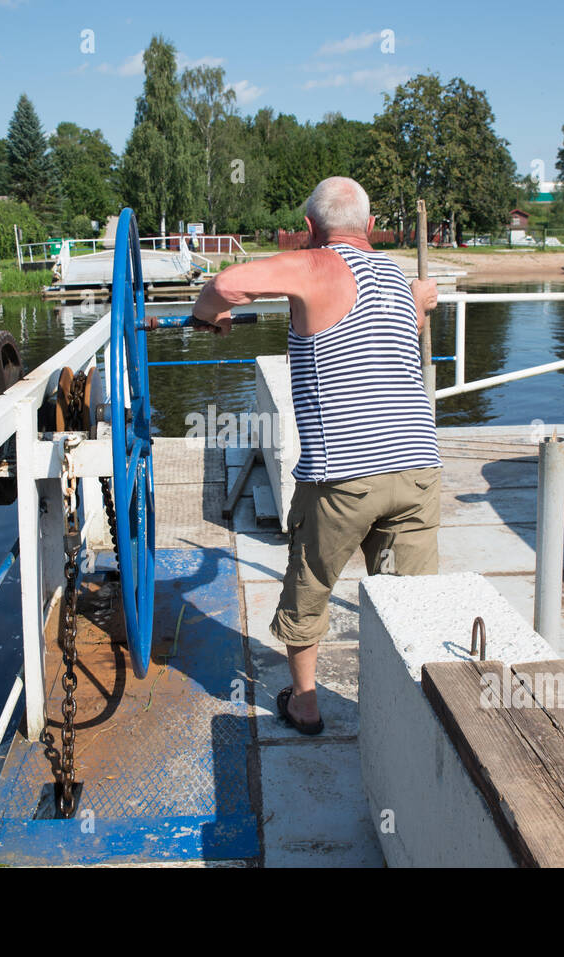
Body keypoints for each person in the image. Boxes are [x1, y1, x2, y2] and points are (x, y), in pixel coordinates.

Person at [189, 176, 441, 734]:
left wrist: (212, 317)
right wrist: (421, 298)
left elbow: (227, 282)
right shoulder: (400, 280)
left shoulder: (315, 264)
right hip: (417, 468)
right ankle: (415, 719)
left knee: (309, 589)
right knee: (413, 600)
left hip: (344, 475)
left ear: (308, 230)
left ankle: (305, 705)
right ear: (371, 228)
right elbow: (411, 328)